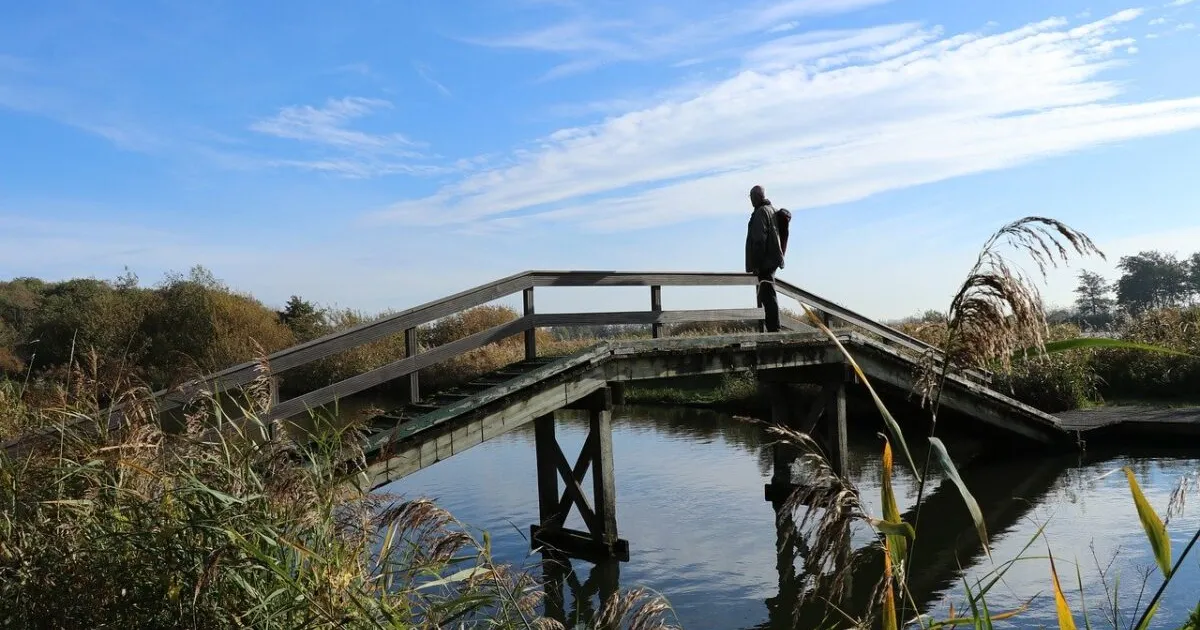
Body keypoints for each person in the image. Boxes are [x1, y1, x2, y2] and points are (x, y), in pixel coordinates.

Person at [744, 185, 790, 332]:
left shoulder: (761, 212)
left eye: (751, 197)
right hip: (772, 259)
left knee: (768, 295)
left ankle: (774, 330)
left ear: (757, 196)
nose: (750, 200)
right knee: (768, 294)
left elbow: (759, 239)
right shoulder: (771, 210)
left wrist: (756, 264)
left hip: (765, 262)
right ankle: (773, 328)